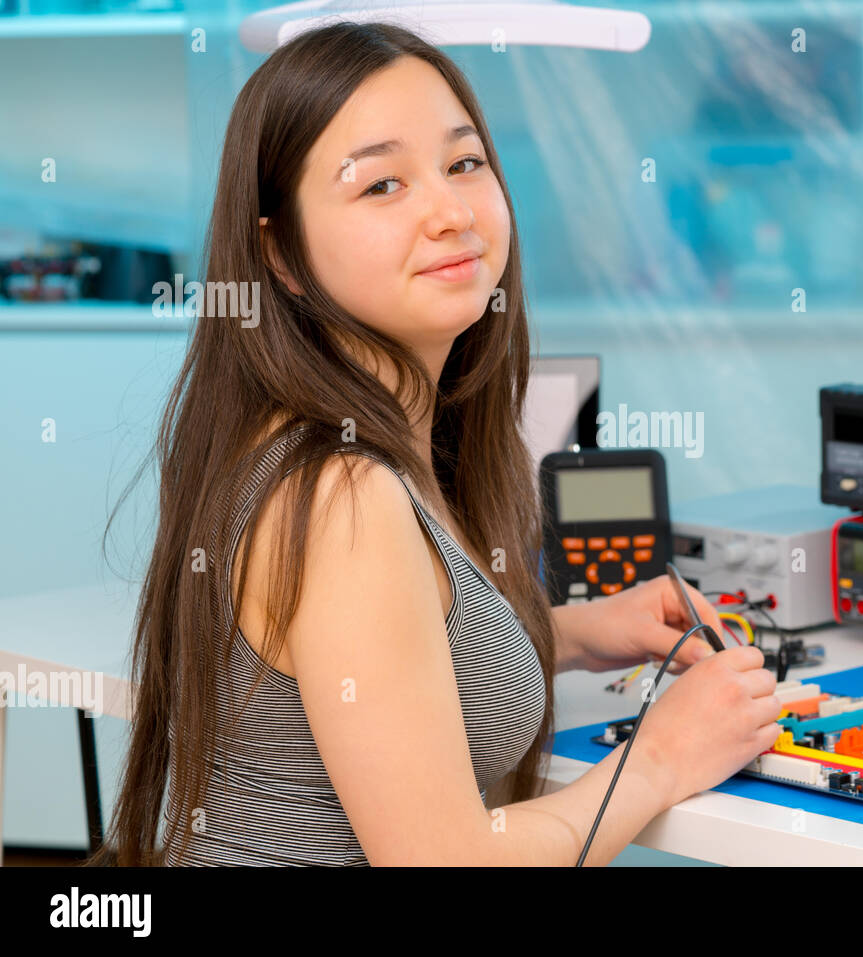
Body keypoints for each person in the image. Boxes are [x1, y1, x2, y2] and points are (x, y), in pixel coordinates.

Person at [93, 21, 781, 866]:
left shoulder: (353, 442)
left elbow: (382, 657)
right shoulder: (341, 494)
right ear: (283, 254)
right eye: (382, 185)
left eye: (464, 164)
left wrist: (573, 631)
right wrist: (662, 757)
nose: (450, 212)